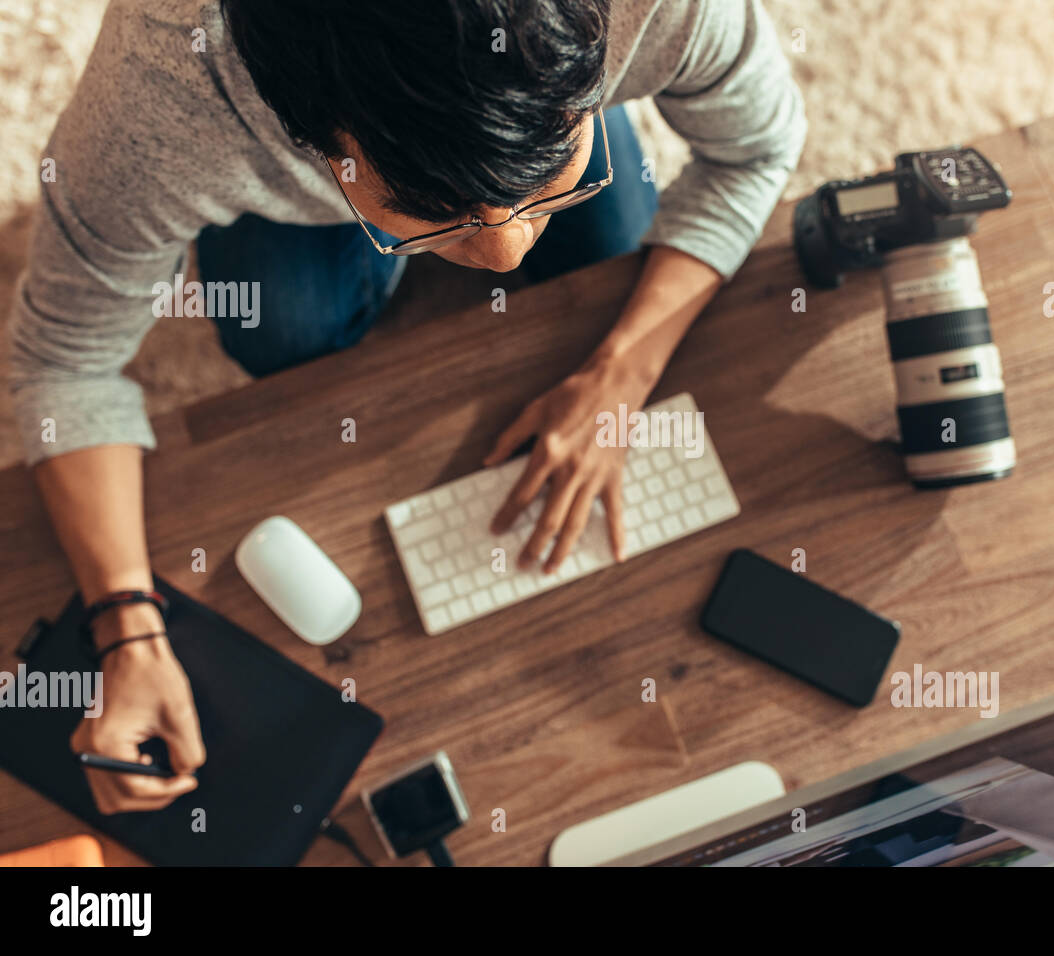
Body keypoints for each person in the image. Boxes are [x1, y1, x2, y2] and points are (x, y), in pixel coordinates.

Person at [6, 0, 805, 813]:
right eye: (433, 211)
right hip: (269, 163)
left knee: (605, 264)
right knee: (284, 334)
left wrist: (620, 377)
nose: (502, 255)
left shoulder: (661, 10)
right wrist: (128, 630)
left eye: (545, 172)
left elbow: (757, 148)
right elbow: (62, 361)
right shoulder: (164, 88)